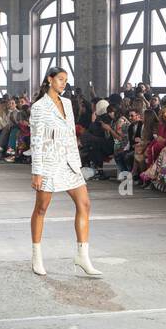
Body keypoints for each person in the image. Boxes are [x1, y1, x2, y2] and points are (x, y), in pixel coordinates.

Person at [29, 67, 101, 278]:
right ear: (50, 80)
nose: (63, 83)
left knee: (85, 204)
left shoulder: (68, 104)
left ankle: (83, 256)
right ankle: (37, 255)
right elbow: (36, 140)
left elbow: (70, 135)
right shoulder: (39, 107)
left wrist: (77, 164)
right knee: (41, 208)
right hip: (49, 163)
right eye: (60, 79)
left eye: (65, 80)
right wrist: (37, 171)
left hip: (69, 163)